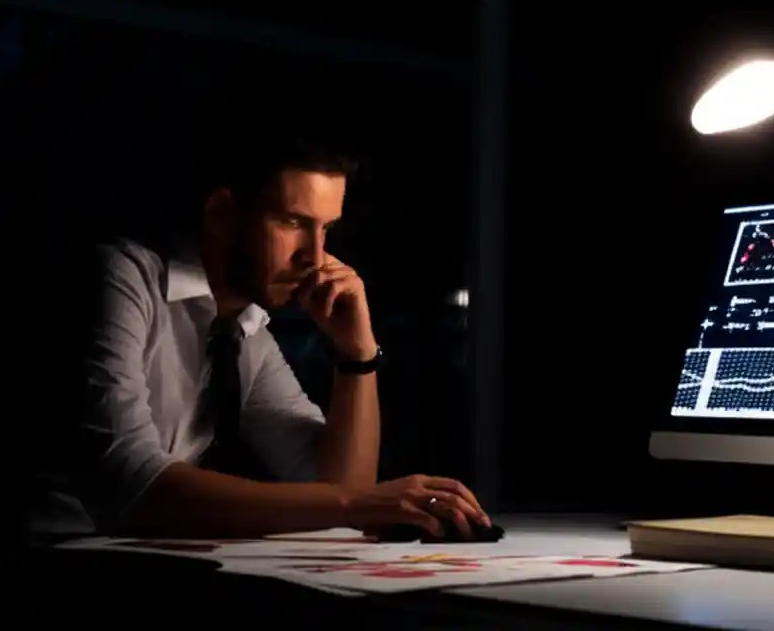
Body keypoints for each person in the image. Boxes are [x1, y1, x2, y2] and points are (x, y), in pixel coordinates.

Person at [29, 132, 490, 540]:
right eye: (292, 222)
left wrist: (356, 356)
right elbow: (129, 482)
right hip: (42, 562)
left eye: (326, 228)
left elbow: (336, 485)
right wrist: (353, 505)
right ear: (222, 214)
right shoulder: (124, 279)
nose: (315, 256)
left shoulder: (244, 330)